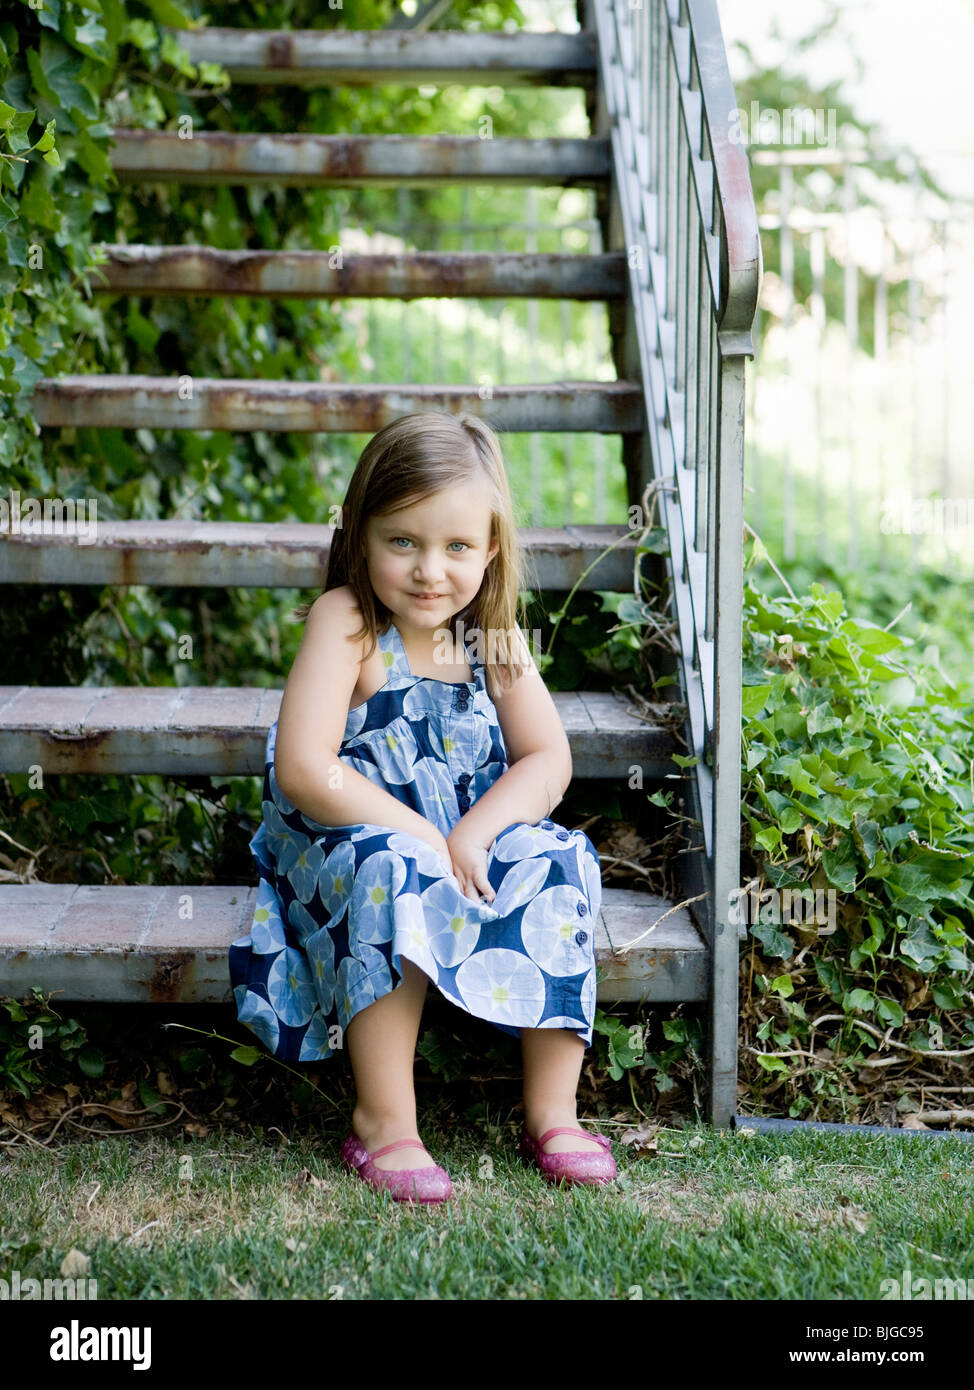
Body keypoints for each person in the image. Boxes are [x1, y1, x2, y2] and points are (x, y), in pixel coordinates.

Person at [229, 411, 616, 1202]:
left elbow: (549, 757)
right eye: (402, 541)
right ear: (360, 536)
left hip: (459, 843)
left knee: (557, 857)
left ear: (492, 549)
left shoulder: (493, 638)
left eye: (457, 547)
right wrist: (418, 832)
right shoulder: (349, 623)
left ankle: (553, 1110)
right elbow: (305, 769)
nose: (429, 570)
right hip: (350, 840)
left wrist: (475, 830)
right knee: (392, 867)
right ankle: (385, 1121)